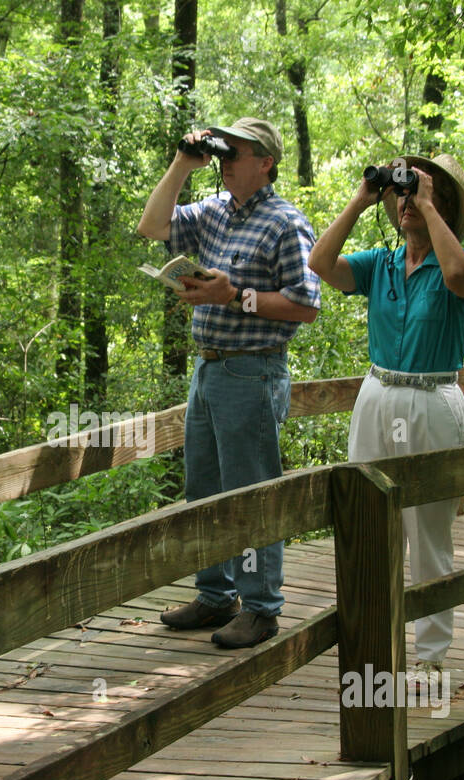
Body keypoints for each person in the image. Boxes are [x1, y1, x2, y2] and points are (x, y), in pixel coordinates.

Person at [137, 117, 321, 649]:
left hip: (253, 368)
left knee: (251, 492)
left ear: (265, 163)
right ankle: (215, 595)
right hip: (208, 365)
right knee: (205, 489)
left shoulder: (287, 223)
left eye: (234, 152)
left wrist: (234, 294)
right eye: (222, 150)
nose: (224, 159)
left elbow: (306, 306)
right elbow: (152, 227)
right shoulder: (213, 211)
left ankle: (261, 608)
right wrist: (182, 163)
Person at [308, 154, 464, 675]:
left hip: (432, 398)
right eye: (398, 193)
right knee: (368, 520)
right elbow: (319, 264)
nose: (404, 202)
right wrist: (362, 198)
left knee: (428, 530)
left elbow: (457, 277)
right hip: (377, 393)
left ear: (443, 203)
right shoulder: (379, 265)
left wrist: (428, 207)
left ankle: (430, 657)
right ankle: (372, 643)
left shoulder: (461, 259)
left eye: (418, 192)